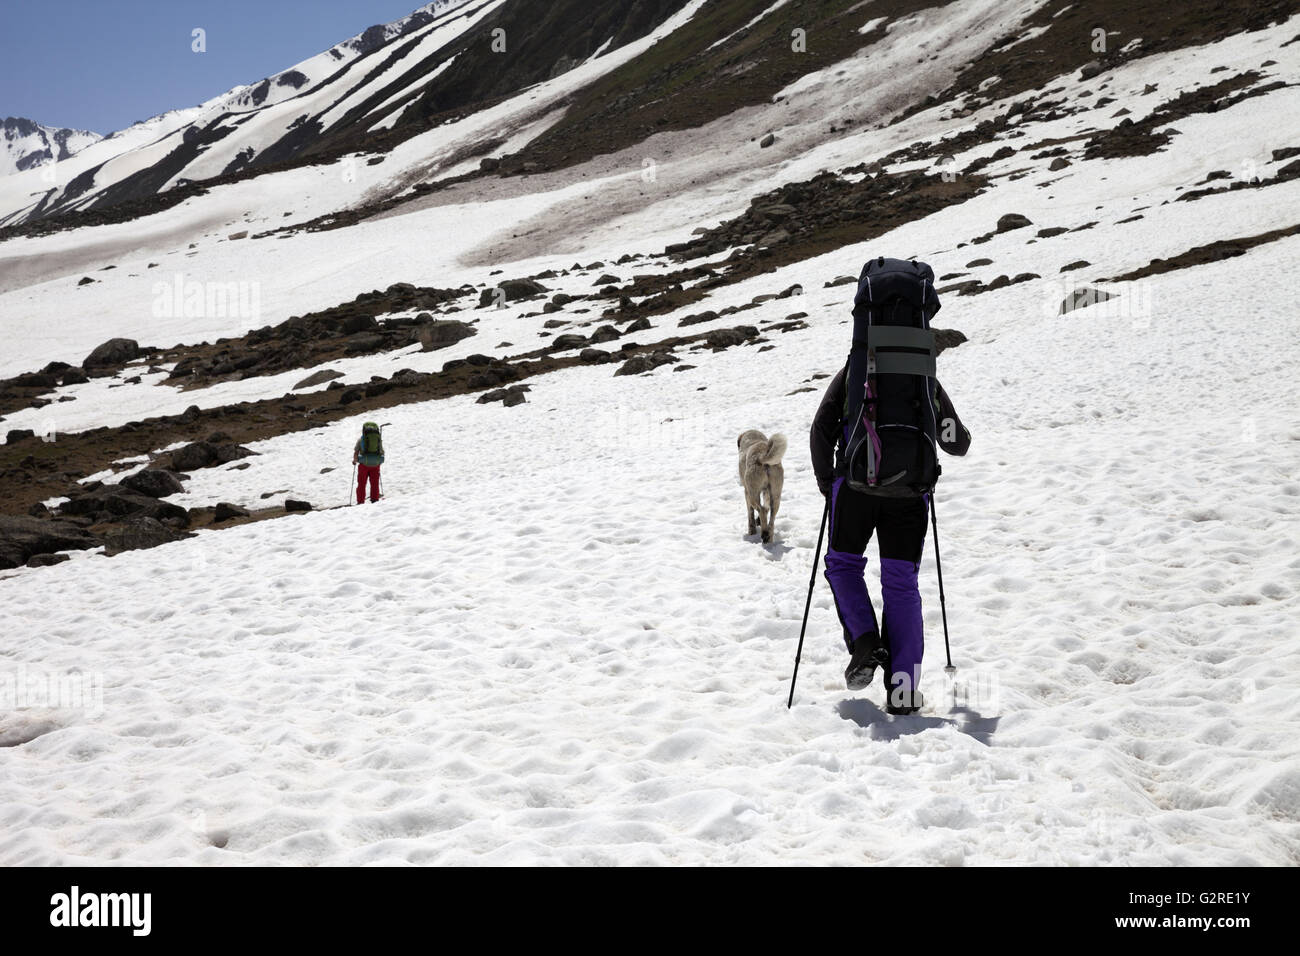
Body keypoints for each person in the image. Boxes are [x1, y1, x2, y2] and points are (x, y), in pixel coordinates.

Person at [810, 368, 970, 714]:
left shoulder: (853, 369)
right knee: (901, 583)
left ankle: (865, 640)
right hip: (911, 492)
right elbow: (957, 443)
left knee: (842, 565)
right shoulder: (923, 373)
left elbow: (821, 427)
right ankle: (904, 692)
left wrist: (828, 484)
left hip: (854, 487)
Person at [353, 421, 384, 504]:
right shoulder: (378, 439)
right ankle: (375, 500)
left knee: (362, 484)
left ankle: (360, 502)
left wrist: (355, 461)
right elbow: (382, 452)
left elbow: (356, 452)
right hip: (375, 465)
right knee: (374, 483)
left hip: (364, 465)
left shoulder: (361, 439)